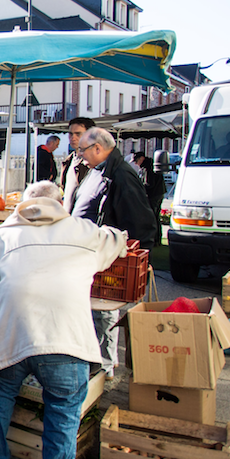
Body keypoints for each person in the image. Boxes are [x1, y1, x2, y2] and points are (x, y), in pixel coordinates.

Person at [0, 180, 126, 459]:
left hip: (11, 333)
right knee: (64, 406)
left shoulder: (2, 237)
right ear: (61, 203)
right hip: (65, 336)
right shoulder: (84, 231)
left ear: (23, 205)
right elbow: (116, 240)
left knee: (0, 392)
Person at [71, 127, 158, 379]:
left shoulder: (121, 175)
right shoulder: (100, 170)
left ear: (98, 148)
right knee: (95, 307)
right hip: (93, 252)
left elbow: (141, 221)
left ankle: (105, 365)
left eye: (83, 150)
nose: (81, 155)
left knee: (105, 308)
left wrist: (141, 253)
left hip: (109, 254)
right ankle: (98, 361)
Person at [61, 117, 95, 212]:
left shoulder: (94, 164)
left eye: (78, 134)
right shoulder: (69, 160)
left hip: (84, 222)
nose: (73, 138)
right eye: (70, 134)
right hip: (68, 219)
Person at [143, 156, 167, 245]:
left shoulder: (148, 168)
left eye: (136, 161)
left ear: (141, 158)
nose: (136, 164)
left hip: (154, 195)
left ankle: (155, 239)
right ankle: (157, 239)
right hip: (159, 193)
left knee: (153, 218)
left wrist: (142, 188)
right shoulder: (152, 165)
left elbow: (150, 184)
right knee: (156, 217)